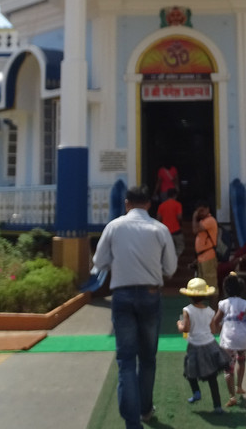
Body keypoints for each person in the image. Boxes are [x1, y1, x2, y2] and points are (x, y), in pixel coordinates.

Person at [92, 184, 178, 429]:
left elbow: (99, 261)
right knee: (148, 358)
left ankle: (132, 423)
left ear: (126, 203)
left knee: (126, 360)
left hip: (122, 295)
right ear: (149, 204)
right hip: (151, 294)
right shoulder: (160, 229)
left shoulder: (114, 227)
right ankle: (145, 409)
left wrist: (118, 265)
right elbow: (170, 268)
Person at [176, 277, 231, 414]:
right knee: (212, 376)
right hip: (210, 345)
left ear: (189, 295)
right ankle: (217, 406)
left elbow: (186, 329)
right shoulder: (210, 311)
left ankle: (196, 392)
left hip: (195, 346)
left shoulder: (187, 310)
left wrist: (179, 325)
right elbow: (213, 330)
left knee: (190, 371)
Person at [210, 272, 246, 407]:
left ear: (226, 289)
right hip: (243, 339)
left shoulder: (223, 303)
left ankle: (232, 396)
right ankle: (239, 386)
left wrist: (213, 331)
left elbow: (216, 321)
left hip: (228, 340)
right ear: (242, 289)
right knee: (242, 360)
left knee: (228, 369)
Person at [192, 202, 219, 290]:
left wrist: (194, 216)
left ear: (208, 209)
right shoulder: (203, 221)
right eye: (199, 211)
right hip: (201, 257)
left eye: (202, 211)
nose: (200, 213)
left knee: (211, 286)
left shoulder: (210, 220)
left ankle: (213, 304)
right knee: (202, 285)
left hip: (208, 256)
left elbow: (195, 230)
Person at [156, 188, 184, 260]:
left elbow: (158, 218)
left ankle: (169, 260)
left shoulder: (162, 205)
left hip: (165, 231)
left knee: (166, 248)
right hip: (176, 230)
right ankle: (174, 258)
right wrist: (181, 224)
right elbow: (179, 217)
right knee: (180, 246)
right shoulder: (178, 204)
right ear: (175, 195)